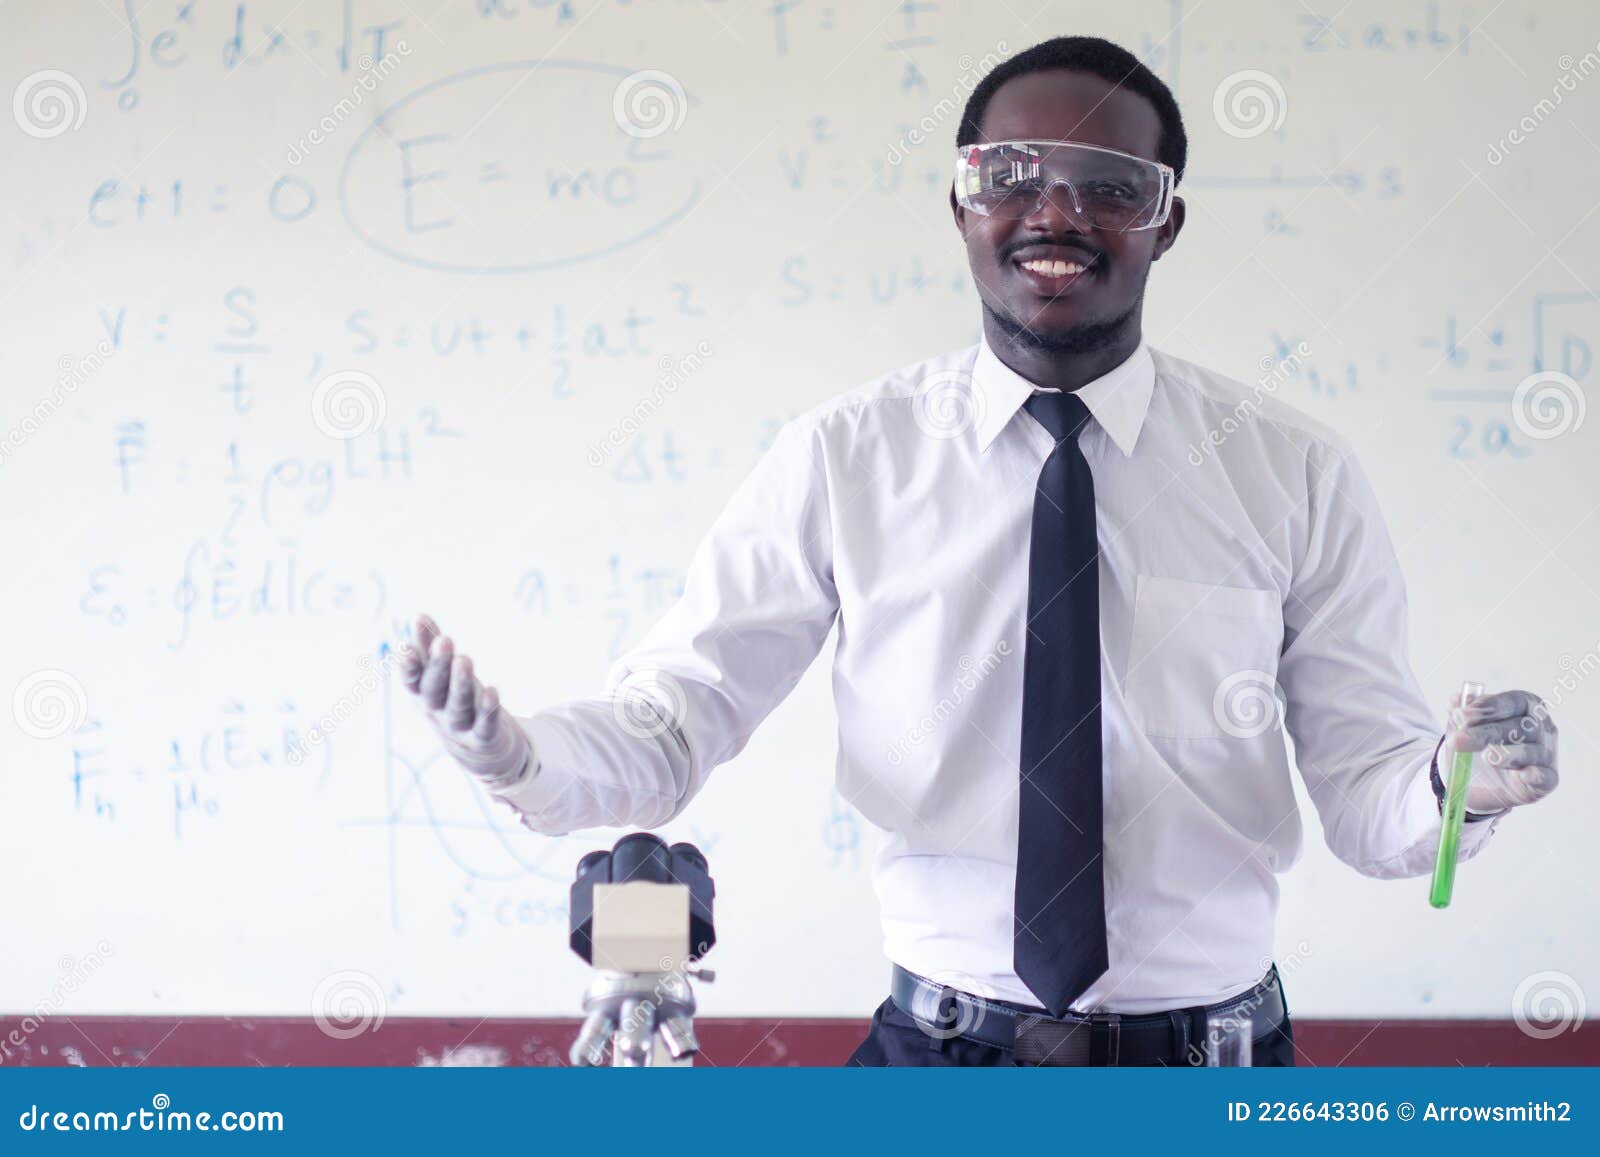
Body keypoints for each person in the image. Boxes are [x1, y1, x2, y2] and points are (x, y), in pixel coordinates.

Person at [397, 36, 1560, 1067]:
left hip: (1215, 1066)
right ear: (960, 205)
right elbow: (679, 715)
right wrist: (522, 758)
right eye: (1008, 177)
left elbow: (1372, 800)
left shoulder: (1292, 472)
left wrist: (1458, 787)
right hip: (937, 1061)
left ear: (1166, 221)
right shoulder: (843, 459)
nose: (1053, 212)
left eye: (1108, 185)